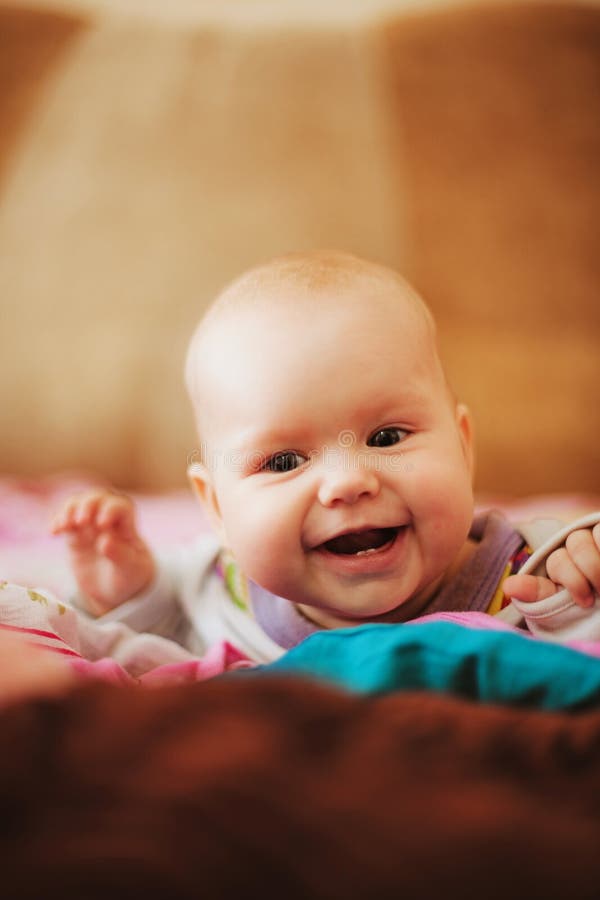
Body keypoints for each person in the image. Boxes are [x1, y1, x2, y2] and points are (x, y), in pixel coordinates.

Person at [52, 251, 600, 662]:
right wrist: (132, 592)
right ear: (217, 508)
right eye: (284, 462)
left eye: (385, 438)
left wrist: (585, 586)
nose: (346, 482)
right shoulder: (222, 586)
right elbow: (164, 630)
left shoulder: (539, 576)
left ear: (462, 445)